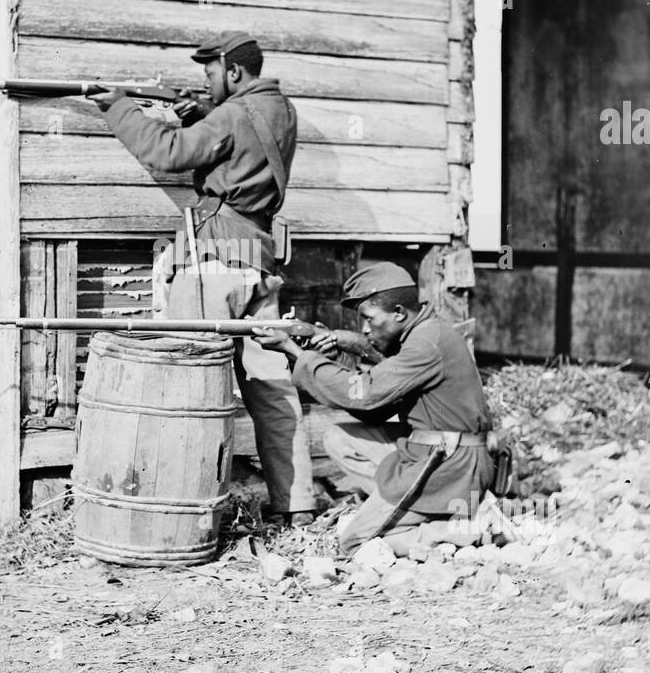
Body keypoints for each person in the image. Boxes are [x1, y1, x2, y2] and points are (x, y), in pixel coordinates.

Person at [86, 32, 317, 524]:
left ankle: (184, 512)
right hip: (258, 263)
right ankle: (297, 507)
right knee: (272, 389)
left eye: (211, 73)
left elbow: (166, 153)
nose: (207, 82)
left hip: (212, 264)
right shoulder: (280, 109)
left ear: (234, 72)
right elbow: (241, 152)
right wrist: (202, 117)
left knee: (189, 387)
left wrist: (120, 108)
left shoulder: (231, 115)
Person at [256, 261, 494, 554]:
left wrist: (295, 351)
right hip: (435, 453)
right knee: (339, 438)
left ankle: (447, 528)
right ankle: (416, 509)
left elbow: (363, 394)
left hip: (450, 465)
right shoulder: (424, 334)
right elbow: (376, 409)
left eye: (369, 319)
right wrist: (336, 355)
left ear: (398, 313)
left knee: (352, 542)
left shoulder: (425, 344)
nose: (365, 329)